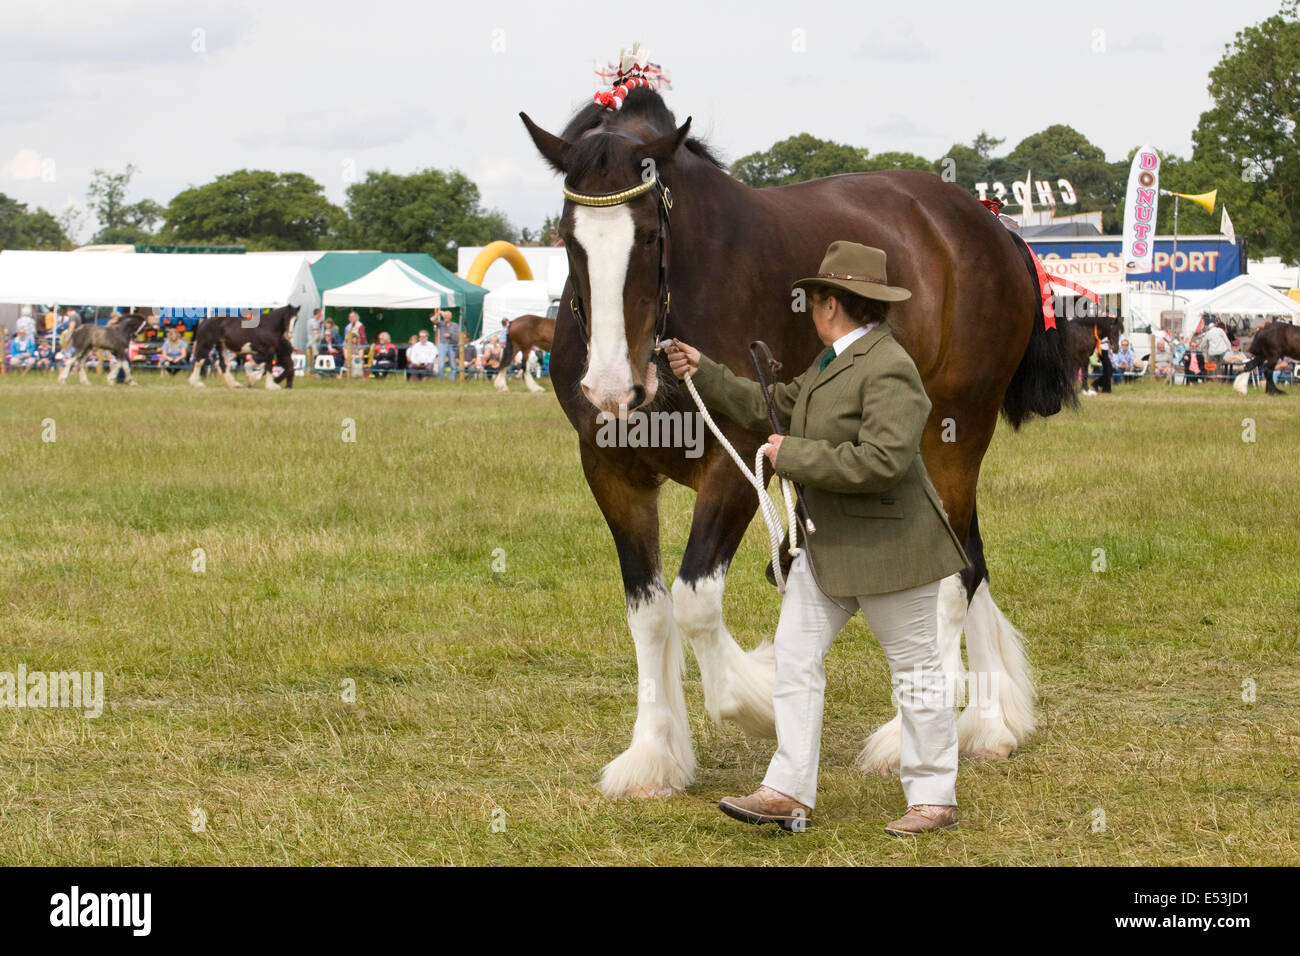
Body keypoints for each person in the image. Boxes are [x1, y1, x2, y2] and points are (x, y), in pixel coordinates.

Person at [666, 241, 968, 835]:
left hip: (891, 551)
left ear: (831, 303)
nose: (809, 308)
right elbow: (773, 404)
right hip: (823, 547)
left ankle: (934, 799)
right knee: (796, 663)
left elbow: (883, 460)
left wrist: (794, 456)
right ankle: (787, 790)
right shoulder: (830, 361)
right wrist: (704, 369)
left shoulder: (890, 367)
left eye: (815, 298)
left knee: (914, 672)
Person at [434, 310, 460, 380]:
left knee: (453, 365)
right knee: (441, 364)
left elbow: (458, 336)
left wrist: (450, 335)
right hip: (442, 345)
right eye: (445, 316)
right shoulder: (441, 324)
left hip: (452, 345)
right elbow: (433, 320)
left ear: (451, 317)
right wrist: (439, 313)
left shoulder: (455, 325)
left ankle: (452, 380)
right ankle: (440, 380)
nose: (446, 317)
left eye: (447, 316)